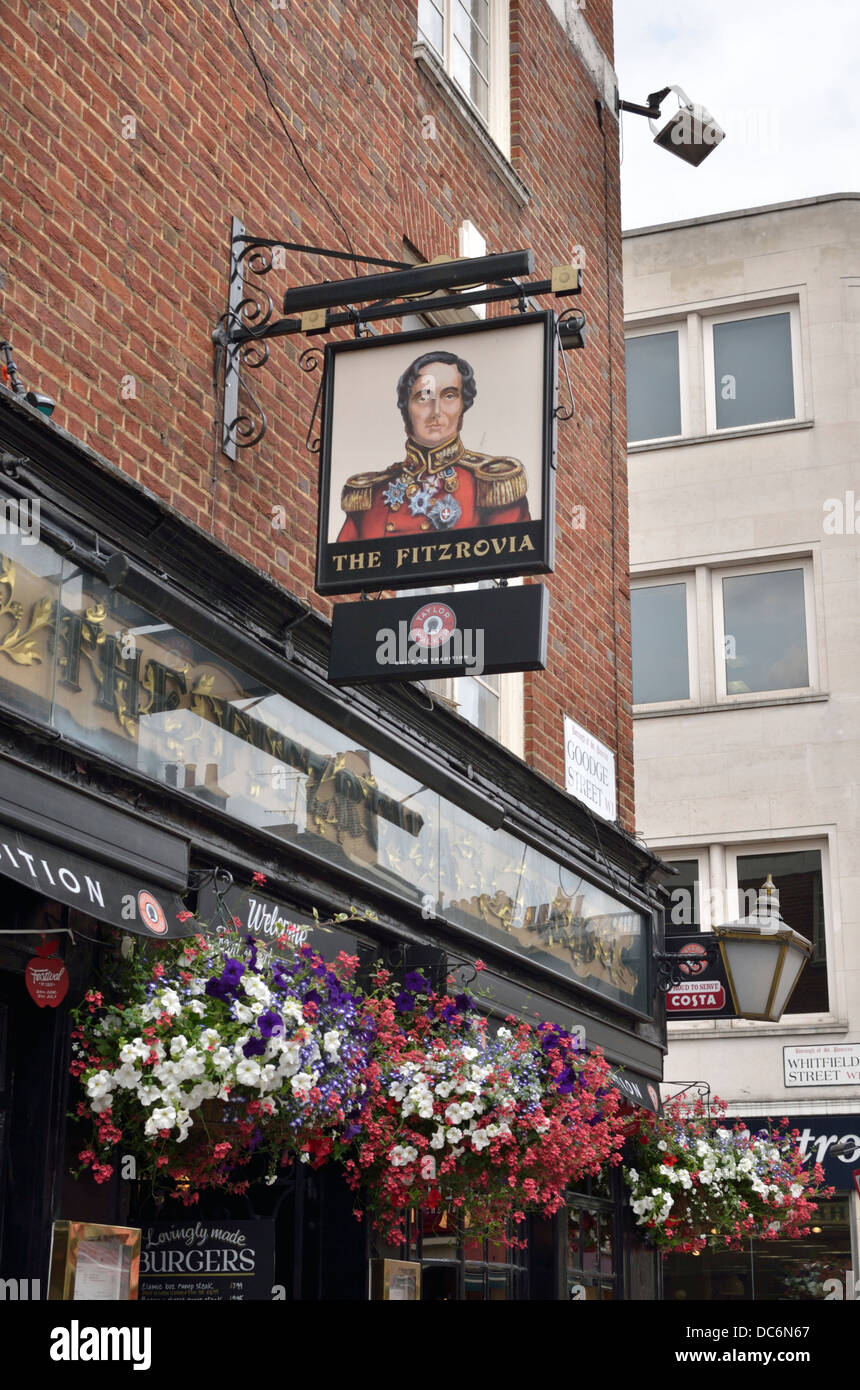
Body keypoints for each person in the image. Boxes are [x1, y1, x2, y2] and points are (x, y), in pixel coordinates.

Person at [336, 350, 531, 540]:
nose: (436, 411)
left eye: (449, 396)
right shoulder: (374, 493)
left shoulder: (491, 484)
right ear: (406, 409)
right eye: (423, 397)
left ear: (463, 406)